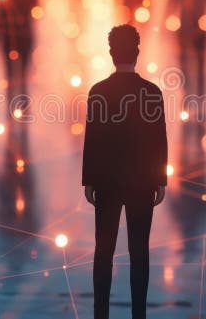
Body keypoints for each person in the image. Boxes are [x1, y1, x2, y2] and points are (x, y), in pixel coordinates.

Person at [83, 24, 168, 319]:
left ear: (111, 53)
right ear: (138, 51)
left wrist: (90, 179)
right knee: (139, 251)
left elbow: (92, 139)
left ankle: (100, 313)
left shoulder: (99, 91)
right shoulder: (152, 91)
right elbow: (159, 138)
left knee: (103, 251)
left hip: (107, 179)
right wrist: (160, 179)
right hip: (142, 180)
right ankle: (139, 314)